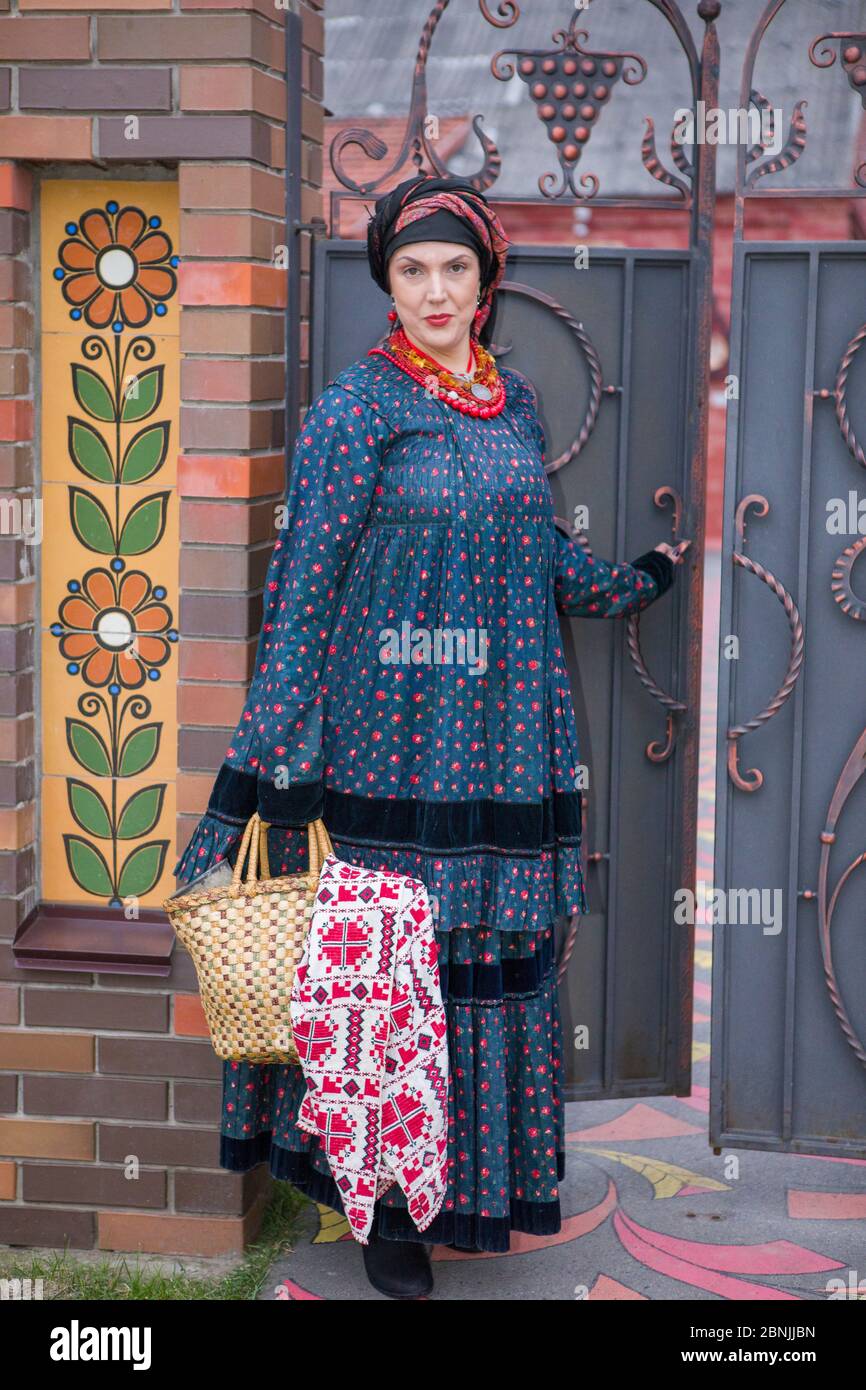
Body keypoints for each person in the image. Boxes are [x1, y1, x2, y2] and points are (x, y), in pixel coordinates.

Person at [171, 173, 690, 1298]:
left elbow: (536, 553)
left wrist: (629, 582)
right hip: (387, 744)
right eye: (413, 270)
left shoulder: (513, 405)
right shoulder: (356, 410)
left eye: (456, 267)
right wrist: (254, 777)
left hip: (503, 735)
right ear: (387, 283)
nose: (436, 290)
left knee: (475, 976)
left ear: (487, 278)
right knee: (391, 984)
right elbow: (303, 594)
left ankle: (460, 1189)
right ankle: (386, 1216)